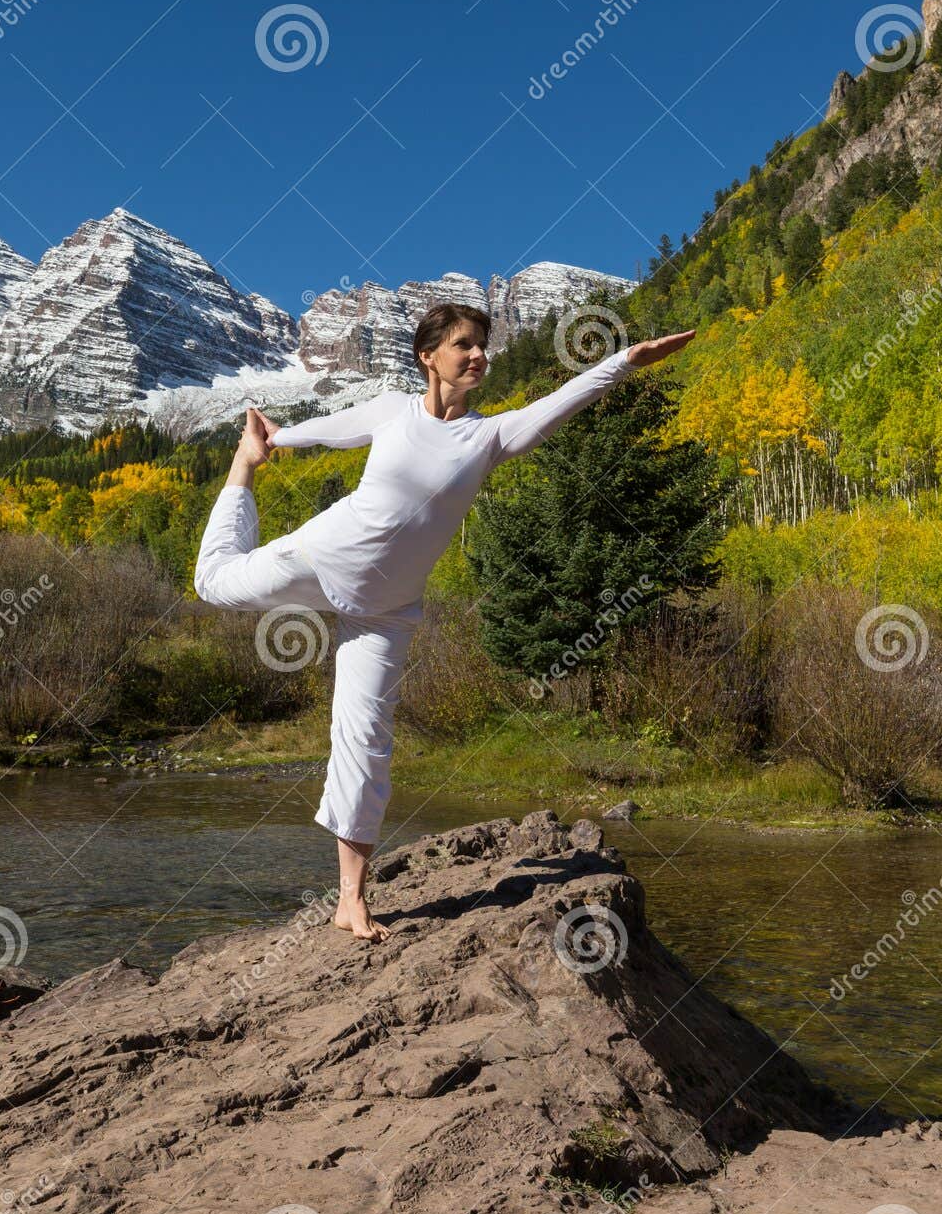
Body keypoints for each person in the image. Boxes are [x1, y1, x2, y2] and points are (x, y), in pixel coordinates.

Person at [194, 303, 694, 942]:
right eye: (465, 344)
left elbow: (562, 400)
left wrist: (624, 361)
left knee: (366, 739)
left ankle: (350, 899)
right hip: (322, 559)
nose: (479, 355)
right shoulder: (392, 410)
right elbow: (333, 428)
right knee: (213, 583)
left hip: (389, 609)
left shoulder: (489, 437)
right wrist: (271, 442)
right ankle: (239, 473)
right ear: (429, 355)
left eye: (483, 345)